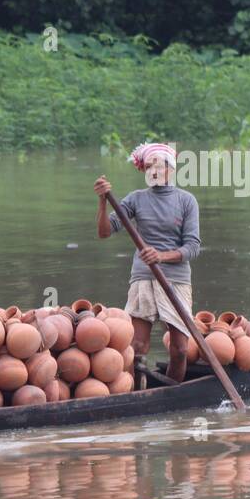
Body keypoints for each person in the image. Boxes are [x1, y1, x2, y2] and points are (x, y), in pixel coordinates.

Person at [94, 142, 200, 385]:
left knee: (180, 349)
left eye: (160, 166)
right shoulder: (136, 199)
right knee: (136, 347)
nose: (154, 171)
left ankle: (172, 394)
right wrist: (102, 201)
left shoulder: (186, 201)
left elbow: (192, 247)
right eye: (150, 166)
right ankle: (134, 392)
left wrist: (161, 256)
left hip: (176, 279)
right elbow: (104, 232)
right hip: (143, 277)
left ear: (170, 170)